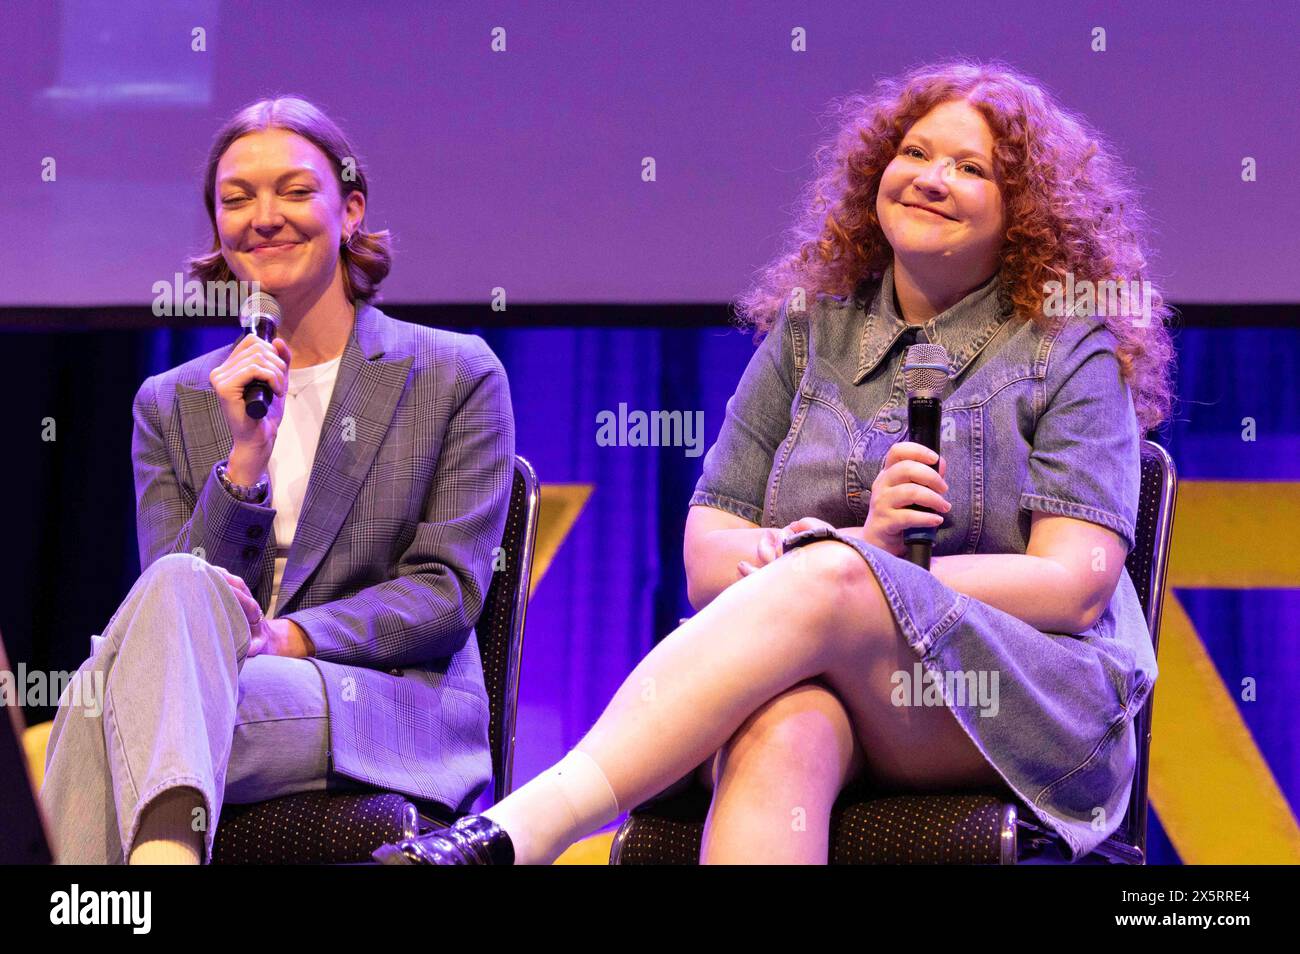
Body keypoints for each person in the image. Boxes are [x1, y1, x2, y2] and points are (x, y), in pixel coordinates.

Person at [382, 60, 1176, 865]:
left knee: (829, 576)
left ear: (1026, 214)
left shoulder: (1071, 349)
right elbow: (707, 555)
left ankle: (527, 830)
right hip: (846, 690)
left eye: (971, 169)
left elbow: (1071, 587)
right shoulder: (806, 338)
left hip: (1019, 706)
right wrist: (821, 565)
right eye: (914, 153)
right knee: (781, 726)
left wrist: (861, 568)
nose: (932, 179)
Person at [41, 96, 515, 864]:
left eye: (294, 191)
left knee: (107, 705)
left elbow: (445, 592)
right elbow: (176, 602)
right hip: (210, 687)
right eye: (237, 199)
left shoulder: (453, 374)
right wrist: (244, 461)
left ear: (350, 210)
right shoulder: (172, 403)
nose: (264, 217)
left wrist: (286, 637)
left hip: (381, 701)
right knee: (162, 623)